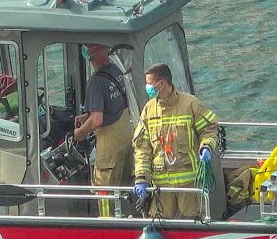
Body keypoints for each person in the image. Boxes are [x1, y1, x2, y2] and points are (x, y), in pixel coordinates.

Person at [131, 63, 218, 219]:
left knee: (194, 224)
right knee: (157, 225)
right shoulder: (148, 110)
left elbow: (209, 130)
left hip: (189, 184)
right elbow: (142, 149)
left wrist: (206, 147)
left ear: (162, 83)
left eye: (149, 83)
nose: (147, 87)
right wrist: (141, 178)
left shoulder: (190, 104)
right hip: (161, 187)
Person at [73, 43, 133, 189]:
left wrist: (79, 133)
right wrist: (86, 117)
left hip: (110, 145)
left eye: (89, 45)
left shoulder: (96, 82)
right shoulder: (117, 70)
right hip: (126, 136)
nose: (85, 48)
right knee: (124, 185)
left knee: (104, 189)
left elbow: (97, 120)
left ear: (95, 50)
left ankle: (106, 213)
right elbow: (113, 105)